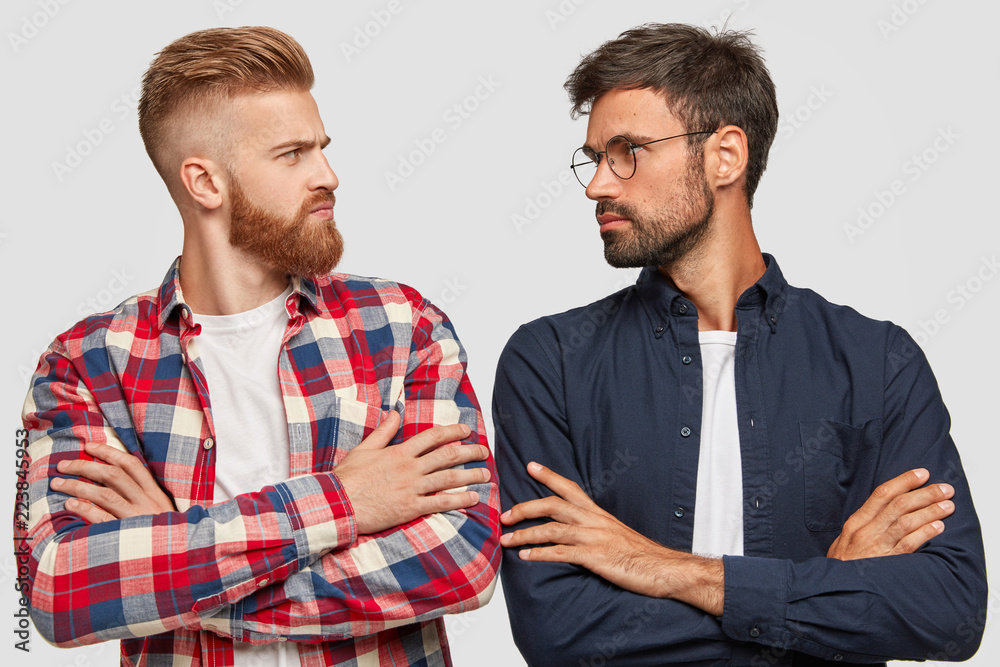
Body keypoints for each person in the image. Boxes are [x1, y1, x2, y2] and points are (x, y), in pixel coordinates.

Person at [494, 23, 986, 666]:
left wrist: (663, 569)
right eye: (594, 158)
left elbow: (948, 611)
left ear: (725, 155)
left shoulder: (876, 363)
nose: (598, 186)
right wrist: (820, 593)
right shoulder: (550, 361)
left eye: (628, 152)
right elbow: (559, 632)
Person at [19, 26, 500, 667]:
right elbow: (61, 592)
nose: (329, 175)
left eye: (321, 148)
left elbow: (460, 559)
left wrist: (174, 557)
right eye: (292, 154)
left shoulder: (402, 328)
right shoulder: (86, 364)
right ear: (206, 183)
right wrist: (349, 501)